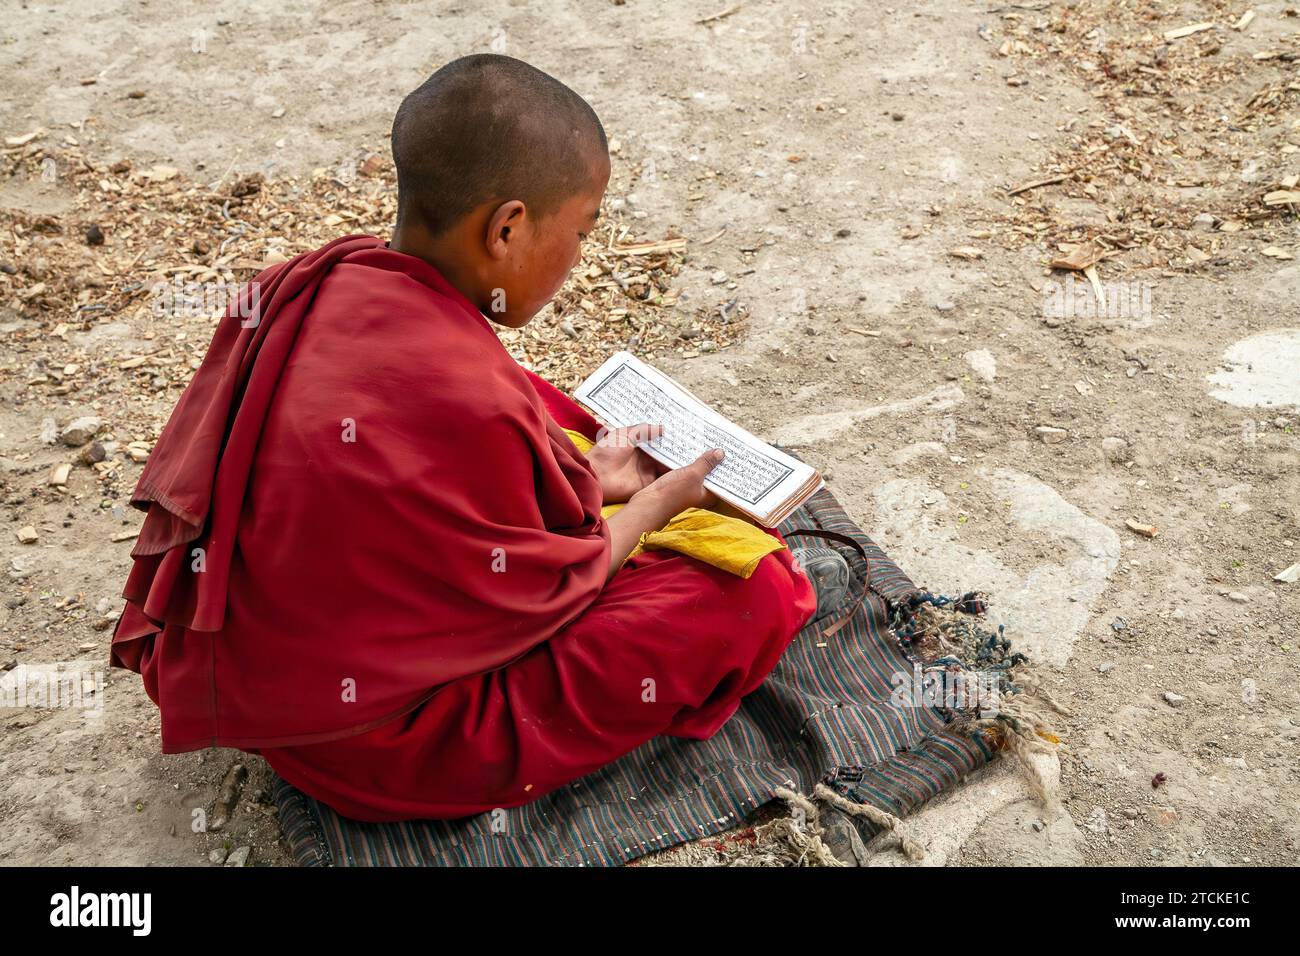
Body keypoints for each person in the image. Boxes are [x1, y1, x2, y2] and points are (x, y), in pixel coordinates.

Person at [111, 54, 832, 822]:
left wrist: (589, 482)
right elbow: (543, 591)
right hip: (379, 742)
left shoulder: (315, 280)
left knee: (547, 408)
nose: (581, 258)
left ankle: (582, 488)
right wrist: (647, 509)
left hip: (267, 671)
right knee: (750, 588)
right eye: (581, 233)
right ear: (508, 228)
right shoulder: (465, 397)